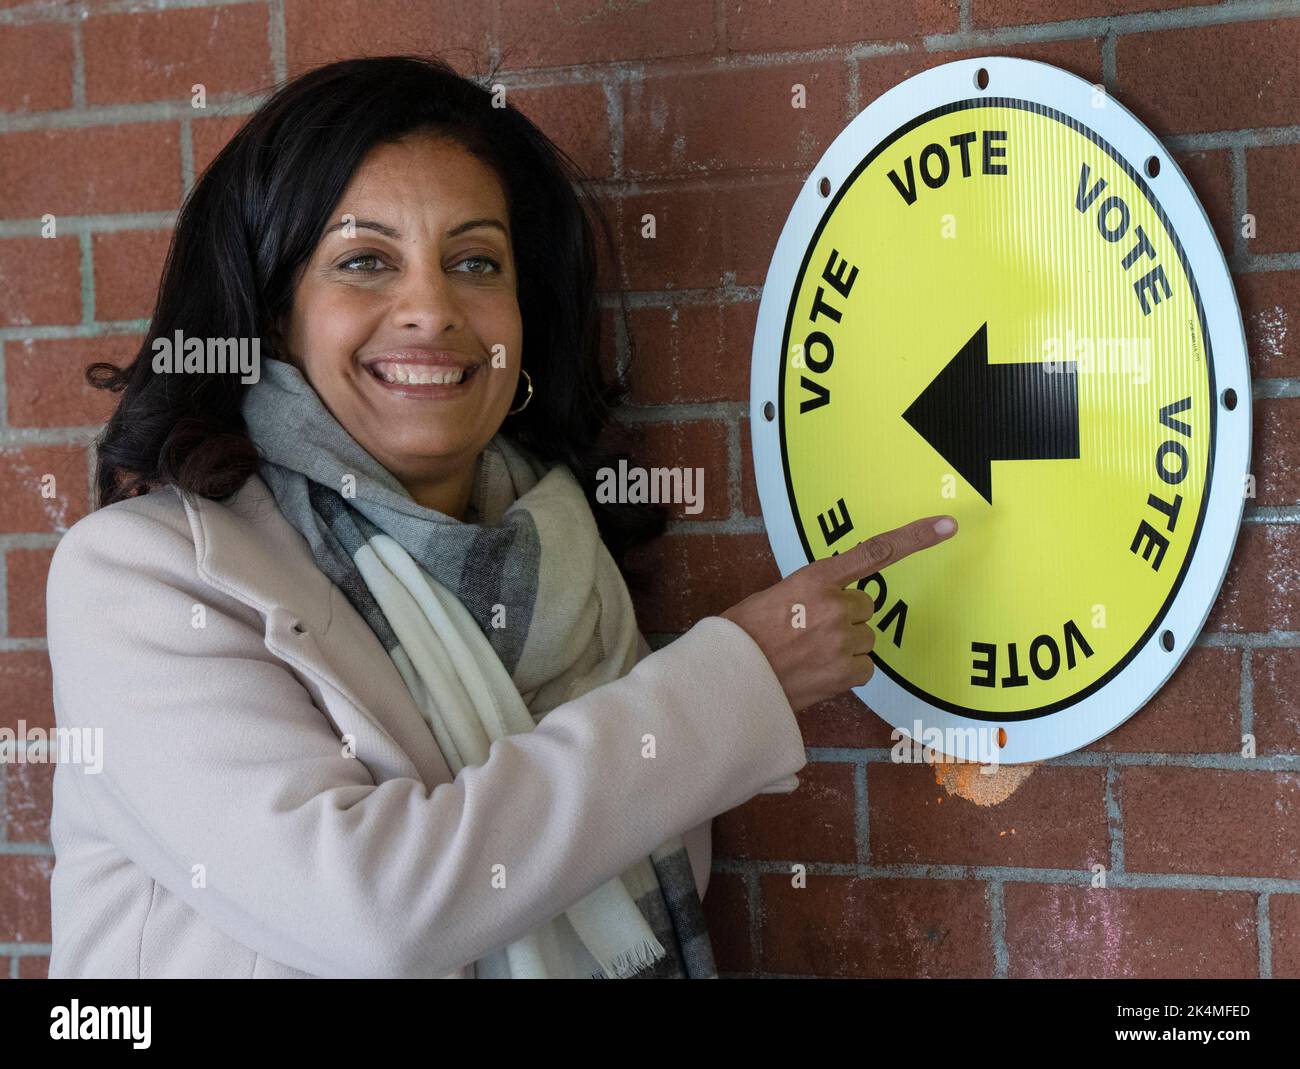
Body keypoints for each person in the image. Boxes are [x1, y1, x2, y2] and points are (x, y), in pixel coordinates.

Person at [44, 54, 957, 979]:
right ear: (276, 315)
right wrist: (737, 678)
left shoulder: (564, 559)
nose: (432, 309)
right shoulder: (143, 578)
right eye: (366, 261)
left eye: (475, 261)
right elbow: (372, 913)